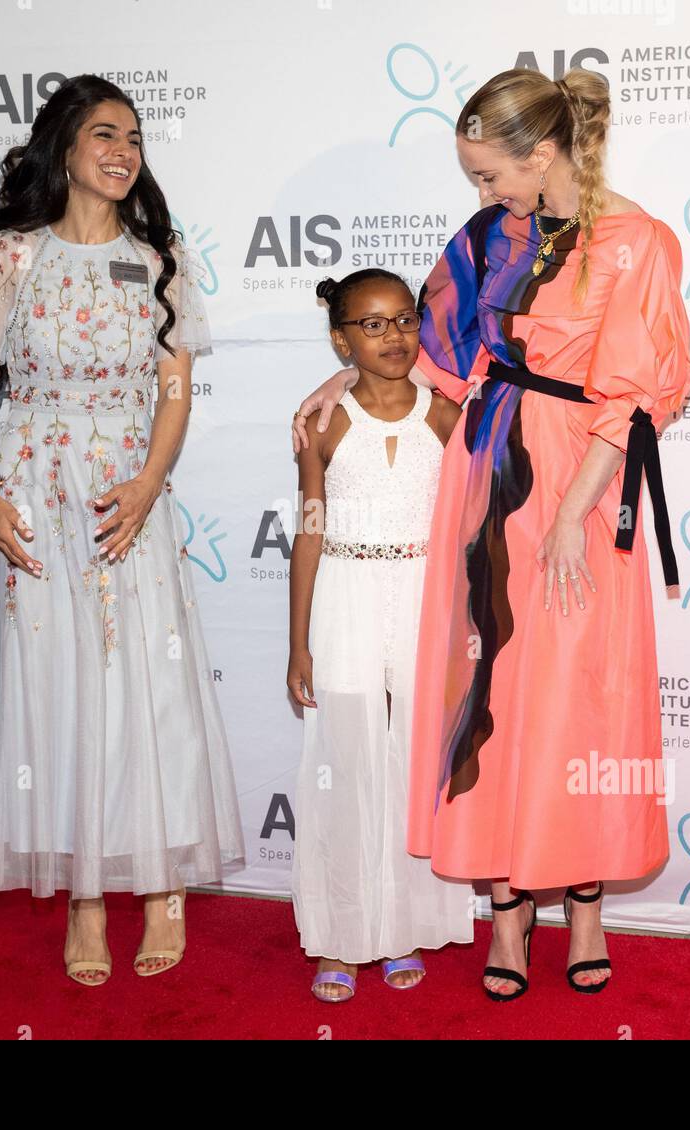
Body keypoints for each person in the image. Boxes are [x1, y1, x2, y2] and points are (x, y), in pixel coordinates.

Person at [292, 68, 690, 1001]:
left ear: (542, 154)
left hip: (583, 481)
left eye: (488, 174)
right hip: (486, 476)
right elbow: (431, 352)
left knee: (581, 702)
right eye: (474, 177)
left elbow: (637, 394)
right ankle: (508, 914)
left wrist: (570, 514)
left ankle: (585, 909)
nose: (481, 191)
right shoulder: (486, 237)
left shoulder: (636, 241)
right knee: (492, 690)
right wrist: (342, 379)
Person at [0, 75, 244, 986]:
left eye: (135, 138)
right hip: (34, 490)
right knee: (56, 684)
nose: (124, 152)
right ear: (65, 147)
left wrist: (150, 484)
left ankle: (161, 884)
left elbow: (175, 389)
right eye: (105, 134)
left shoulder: (160, 257)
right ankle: (84, 896)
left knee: (146, 685)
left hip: (126, 492)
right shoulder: (10, 256)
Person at [288, 269, 473, 1002]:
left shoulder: (445, 416)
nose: (393, 335)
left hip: (425, 600)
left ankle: (403, 927)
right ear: (342, 341)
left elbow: (472, 525)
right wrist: (298, 643)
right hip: (346, 595)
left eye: (403, 319)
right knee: (347, 764)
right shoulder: (324, 423)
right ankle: (341, 934)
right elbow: (309, 530)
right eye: (372, 324)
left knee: (412, 767)